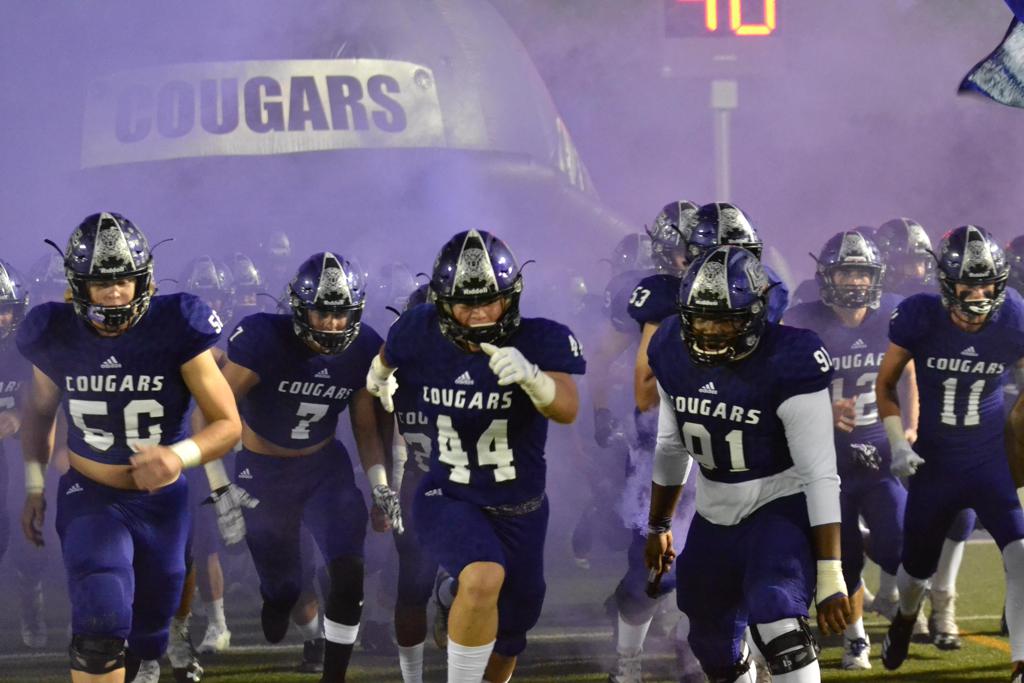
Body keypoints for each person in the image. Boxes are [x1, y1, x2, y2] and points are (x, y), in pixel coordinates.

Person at [16, 211, 241, 683]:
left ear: (145, 279)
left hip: (163, 502)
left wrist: (177, 456)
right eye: (102, 282)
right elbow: (38, 411)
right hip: (90, 496)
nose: (116, 292)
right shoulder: (55, 331)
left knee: (150, 631)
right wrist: (35, 485)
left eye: (124, 280)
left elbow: (227, 424)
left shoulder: (177, 325)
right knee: (101, 616)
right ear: (78, 285)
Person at [366, 229, 585, 683]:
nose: (479, 313)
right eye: (465, 303)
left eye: (489, 300)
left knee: (513, 630)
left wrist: (535, 380)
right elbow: (388, 353)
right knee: (484, 576)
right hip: (448, 494)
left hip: (521, 508)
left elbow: (567, 407)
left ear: (511, 296)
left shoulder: (539, 339)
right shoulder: (420, 328)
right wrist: (380, 377)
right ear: (442, 303)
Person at [645, 245, 850, 683]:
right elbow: (671, 444)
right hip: (713, 513)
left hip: (779, 504)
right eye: (700, 319)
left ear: (755, 316)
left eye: (725, 320)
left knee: (777, 615)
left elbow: (819, 472)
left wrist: (831, 571)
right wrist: (659, 525)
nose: (710, 331)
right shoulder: (670, 348)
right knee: (710, 640)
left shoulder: (789, 357)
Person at [221, 251, 401, 682]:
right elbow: (215, 410)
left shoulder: (363, 347)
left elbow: (365, 427)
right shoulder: (263, 338)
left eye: (342, 314)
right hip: (263, 472)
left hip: (323, 468)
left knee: (349, 571)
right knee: (284, 589)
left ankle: (333, 675)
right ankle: (277, 597)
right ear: (300, 309)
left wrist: (381, 485)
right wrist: (217, 482)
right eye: (323, 313)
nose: (334, 324)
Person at [878, 225, 1024, 681]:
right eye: (968, 286)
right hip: (935, 465)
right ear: (946, 284)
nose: (978, 296)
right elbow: (887, 383)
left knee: (1021, 554)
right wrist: (898, 442)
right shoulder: (920, 316)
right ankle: (905, 618)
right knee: (913, 573)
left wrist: (1018, 437)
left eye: (986, 286)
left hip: (987, 462)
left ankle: (1022, 663)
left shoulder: (1014, 317)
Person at [784, 230, 908, 670]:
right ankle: (856, 637)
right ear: (827, 276)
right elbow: (780, 388)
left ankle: (890, 591)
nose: (855, 281)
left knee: (899, 541)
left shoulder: (893, 314)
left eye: (862, 272)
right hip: (825, 460)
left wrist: (909, 428)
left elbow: (907, 371)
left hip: (878, 454)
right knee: (844, 557)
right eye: (846, 272)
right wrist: (820, 409)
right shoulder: (802, 321)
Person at [610, 199, 703, 683]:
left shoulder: (742, 289)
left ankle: (695, 649)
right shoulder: (661, 297)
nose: (699, 255)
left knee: (717, 561)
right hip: (662, 439)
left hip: (722, 437)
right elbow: (645, 393)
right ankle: (627, 657)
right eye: (690, 248)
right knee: (655, 571)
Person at [874, 216, 966, 647]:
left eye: (917, 261)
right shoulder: (872, 304)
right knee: (886, 517)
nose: (913, 270)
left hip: (937, 421)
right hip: (876, 422)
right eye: (903, 262)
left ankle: (942, 602)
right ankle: (886, 591)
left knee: (960, 512)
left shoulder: (939, 299)